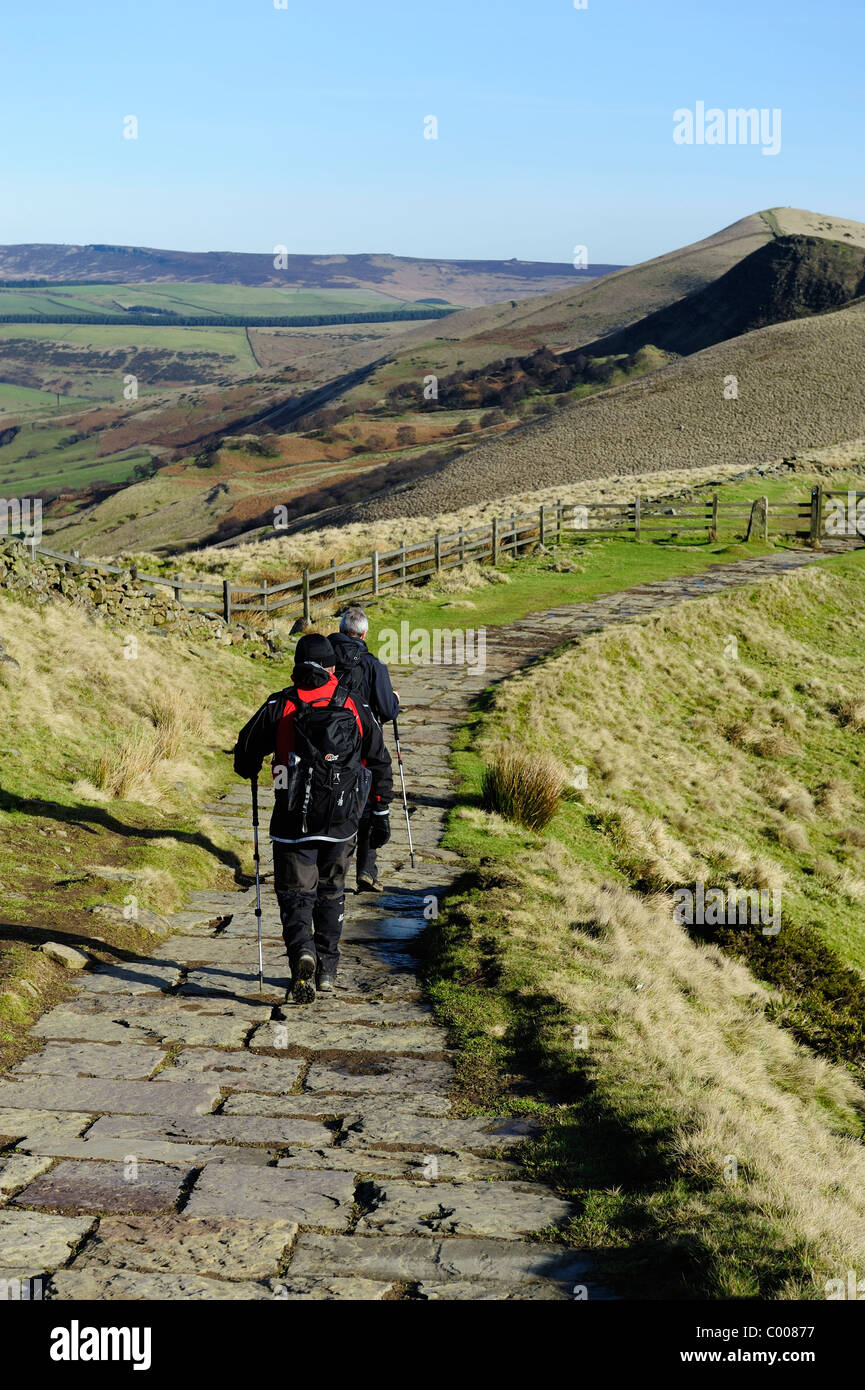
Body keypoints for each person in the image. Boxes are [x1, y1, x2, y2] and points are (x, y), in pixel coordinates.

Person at [233, 633, 393, 1003]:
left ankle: (302, 954)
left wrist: (256, 764)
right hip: (341, 822)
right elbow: (379, 759)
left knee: (294, 895)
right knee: (332, 892)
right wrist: (380, 811)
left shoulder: (279, 704)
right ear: (333, 667)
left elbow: (244, 755)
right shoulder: (352, 704)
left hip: (292, 820)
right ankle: (327, 971)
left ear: (296, 665)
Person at [329, 606, 399, 893]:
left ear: (342, 629)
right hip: (365, 742)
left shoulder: (324, 657)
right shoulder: (373, 665)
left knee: (334, 799)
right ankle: (367, 870)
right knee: (368, 801)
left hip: (328, 742)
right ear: (365, 633)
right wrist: (394, 700)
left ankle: (333, 866)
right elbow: (386, 709)